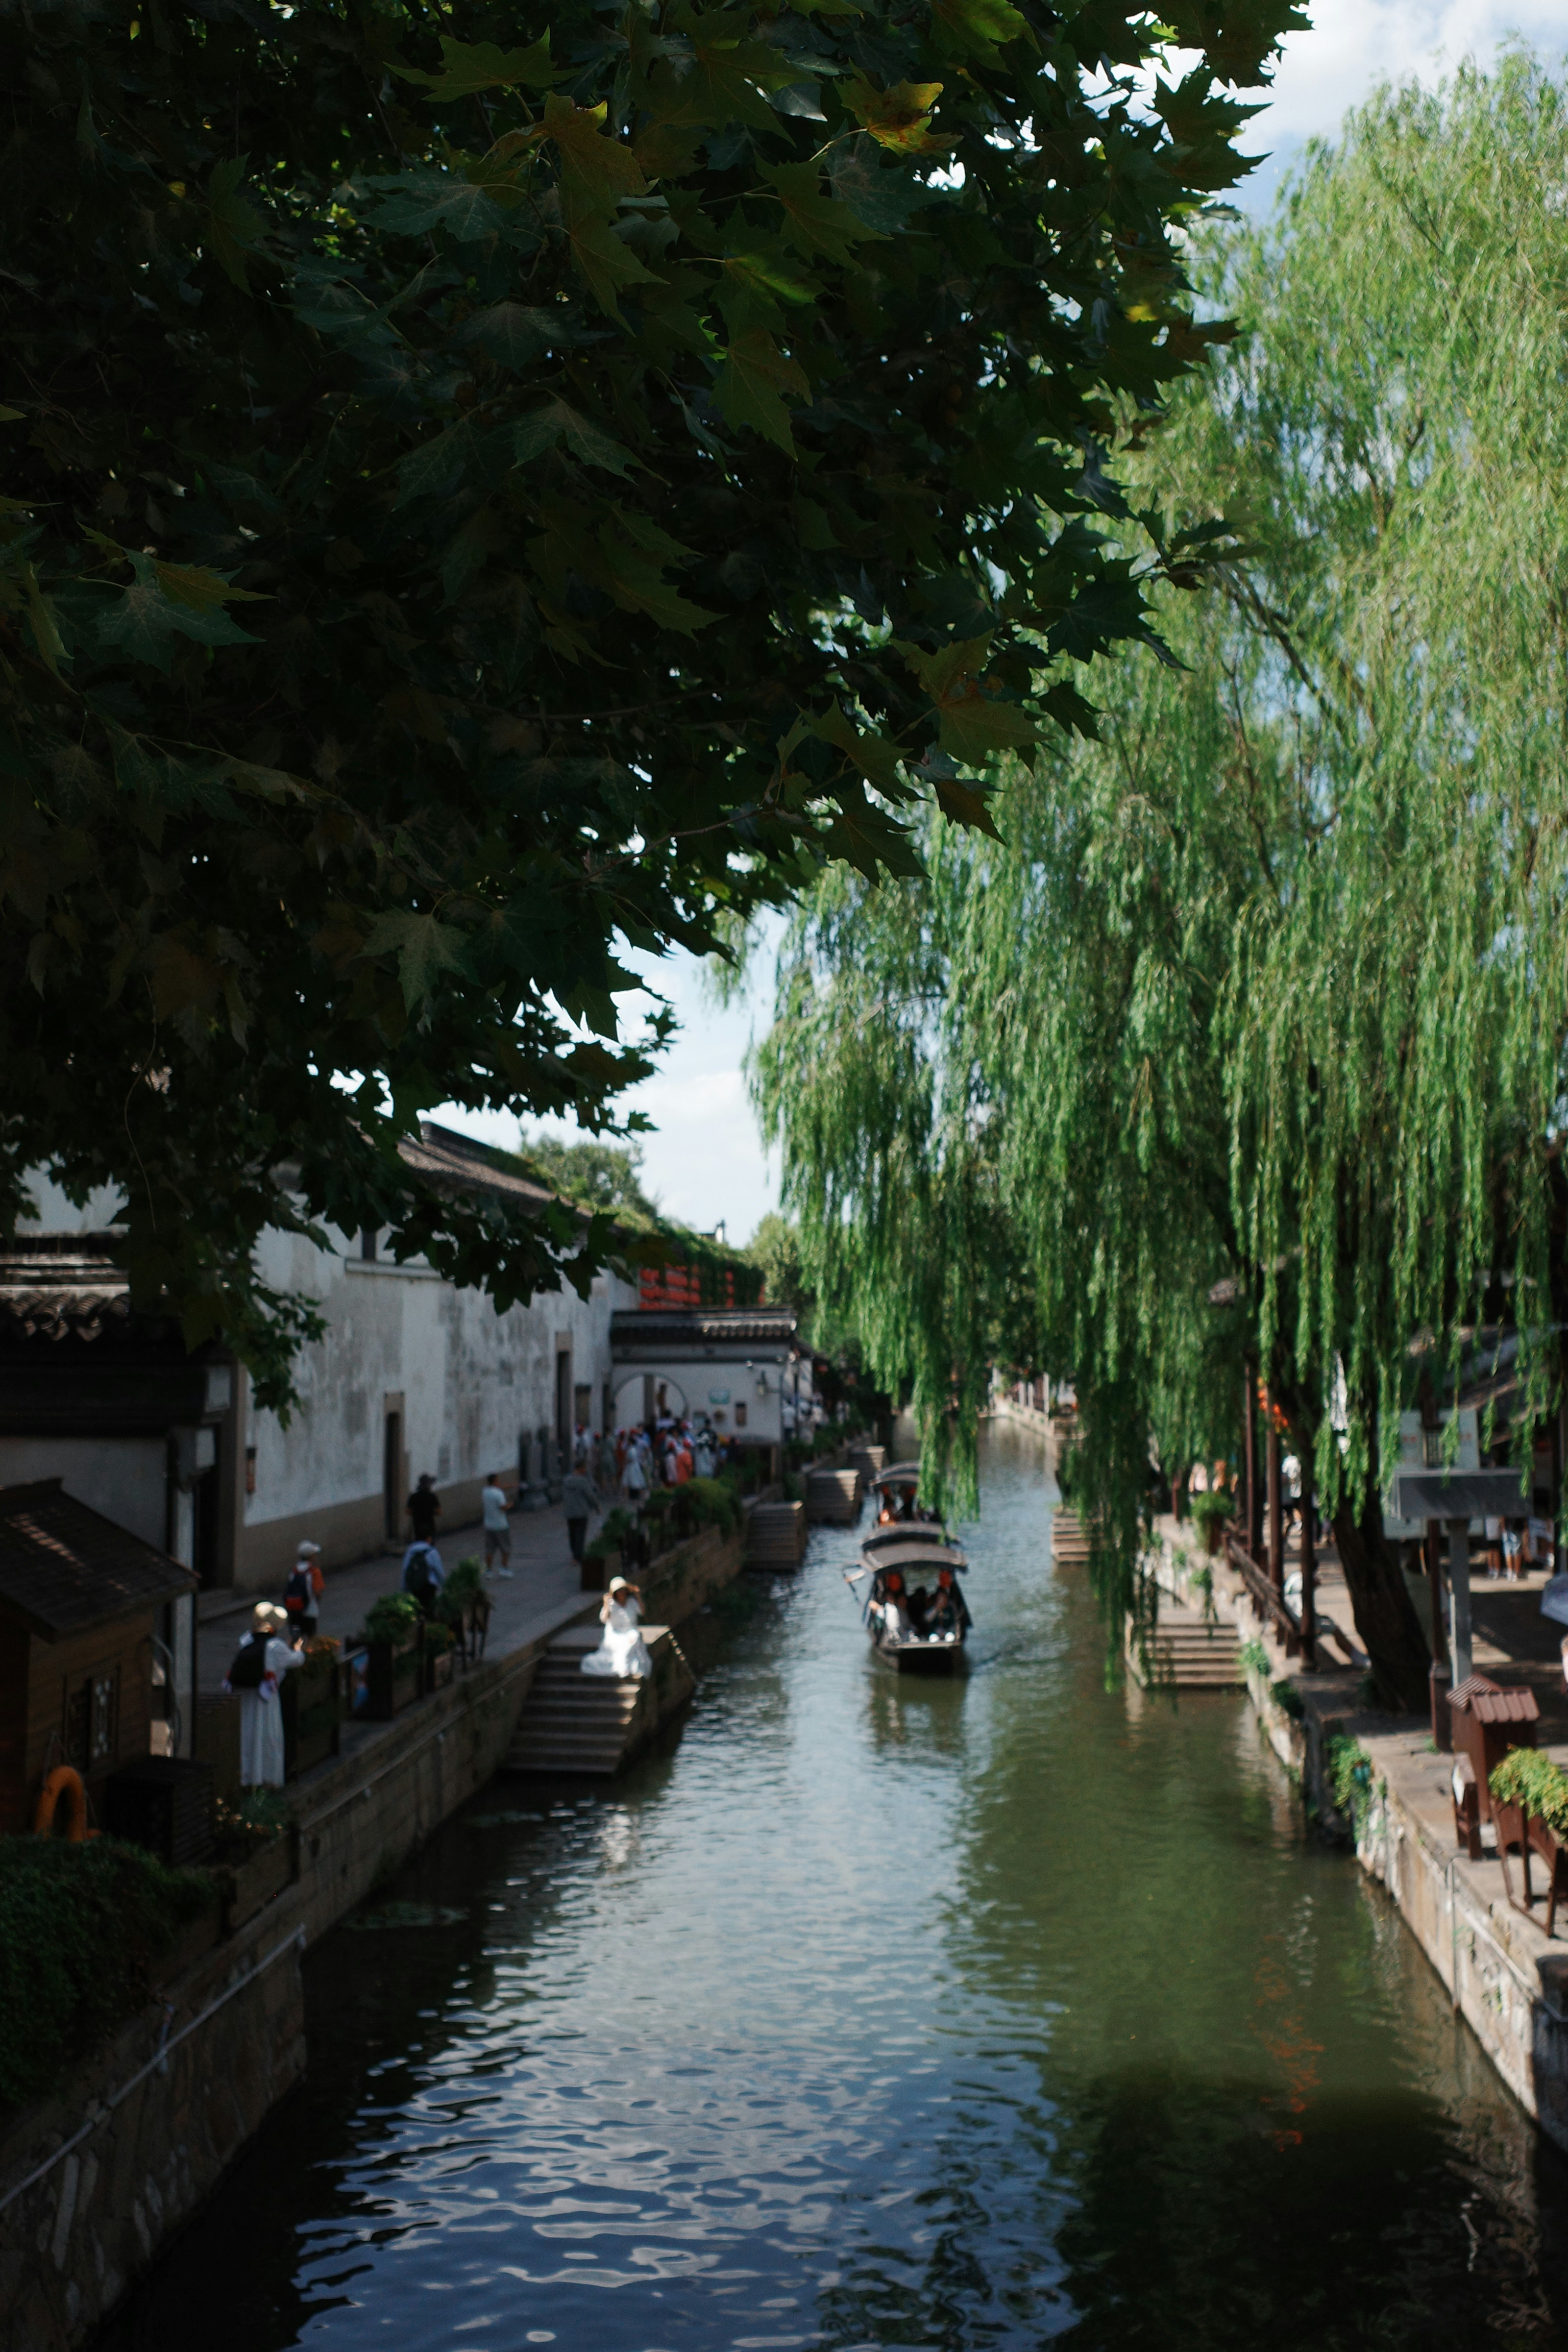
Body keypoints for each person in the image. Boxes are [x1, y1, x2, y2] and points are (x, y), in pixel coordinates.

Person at [225, 1604, 303, 1789]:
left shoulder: (245, 1640)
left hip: (246, 1697)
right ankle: (267, 1779)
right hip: (266, 1700)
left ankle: (246, 1778)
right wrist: (298, 1648)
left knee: (247, 1737)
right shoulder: (275, 1646)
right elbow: (297, 1660)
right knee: (268, 1738)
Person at [581, 1575, 652, 1678]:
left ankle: (625, 1665)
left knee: (634, 1638)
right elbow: (604, 1619)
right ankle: (623, 1667)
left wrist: (638, 1596)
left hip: (630, 1631)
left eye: (623, 1591)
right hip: (616, 1633)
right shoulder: (611, 1605)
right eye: (619, 1591)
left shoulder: (632, 1603)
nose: (622, 1594)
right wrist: (606, 1604)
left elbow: (642, 1612)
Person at [282, 1540, 324, 1640]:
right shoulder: (314, 1572)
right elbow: (318, 1591)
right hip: (310, 1611)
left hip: (294, 1610)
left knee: (296, 1638)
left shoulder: (294, 1571)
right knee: (311, 1639)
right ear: (312, 1556)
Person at [562, 1459, 600, 1564]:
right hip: (582, 1511)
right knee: (581, 1534)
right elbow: (590, 1496)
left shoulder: (566, 1480)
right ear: (581, 1468)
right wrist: (597, 1506)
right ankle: (578, 1556)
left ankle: (575, 1555)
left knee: (573, 1533)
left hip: (570, 1512)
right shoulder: (583, 1481)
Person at [481, 1472, 514, 1577]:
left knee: (489, 1549)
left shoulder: (485, 1491)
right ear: (495, 1481)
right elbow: (503, 1508)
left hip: (489, 1525)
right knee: (506, 1548)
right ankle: (504, 1568)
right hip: (501, 1525)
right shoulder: (498, 1494)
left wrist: (510, 1486)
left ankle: (489, 1570)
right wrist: (510, 1505)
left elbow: (497, 1488)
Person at [401, 1537, 445, 1613]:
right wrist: (444, 1586)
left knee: (419, 1610)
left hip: (415, 1587)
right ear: (429, 1539)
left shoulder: (410, 1552)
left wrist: (405, 1589)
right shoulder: (432, 1551)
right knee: (430, 1610)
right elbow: (439, 1571)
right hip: (429, 1586)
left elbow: (406, 1571)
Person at [407, 1473, 441, 1543]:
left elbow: (408, 1512)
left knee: (419, 1543)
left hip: (417, 1525)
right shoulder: (432, 1497)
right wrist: (432, 1512)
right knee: (429, 1545)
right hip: (429, 1525)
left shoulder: (414, 1497)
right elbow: (439, 1512)